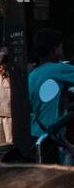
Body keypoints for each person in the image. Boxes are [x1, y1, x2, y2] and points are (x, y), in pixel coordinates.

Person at [28, 28, 74, 162]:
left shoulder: (33, 75)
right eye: (60, 48)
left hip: (34, 135)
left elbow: (45, 104)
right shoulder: (58, 69)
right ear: (54, 49)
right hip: (51, 138)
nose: (62, 52)